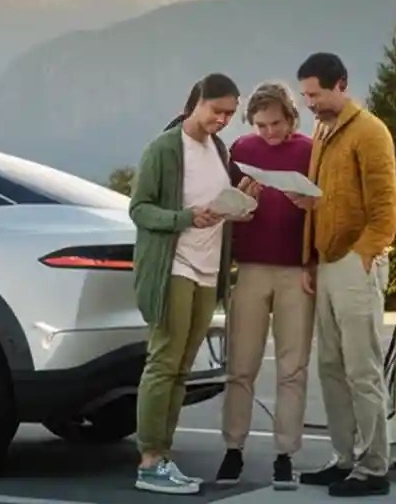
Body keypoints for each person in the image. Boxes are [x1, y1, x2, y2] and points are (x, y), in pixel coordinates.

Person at [129, 72, 242, 495]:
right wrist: (184, 218)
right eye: (218, 111)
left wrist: (239, 202)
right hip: (174, 266)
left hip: (208, 270)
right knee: (164, 362)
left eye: (230, 114)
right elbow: (139, 209)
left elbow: (216, 203)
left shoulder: (218, 149)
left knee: (181, 369)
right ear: (196, 102)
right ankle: (149, 461)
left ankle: (163, 456)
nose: (223, 120)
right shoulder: (164, 148)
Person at [292, 52, 396, 498]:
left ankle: (374, 468)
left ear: (341, 85)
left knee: (361, 368)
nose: (309, 103)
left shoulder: (370, 132)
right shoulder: (322, 132)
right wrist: (309, 259)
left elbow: (386, 208)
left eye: (315, 94)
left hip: (356, 263)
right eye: (305, 96)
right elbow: (321, 201)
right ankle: (344, 459)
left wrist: (363, 257)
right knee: (331, 368)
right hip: (325, 262)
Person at [213, 81, 315, 491]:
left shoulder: (310, 151)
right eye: (261, 125)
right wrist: (238, 201)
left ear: (291, 118)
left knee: (293, 367)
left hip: (296, 272)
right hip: (251, 269)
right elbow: (223, 208)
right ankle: (232, 449)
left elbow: (323, 209)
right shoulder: (242, 150)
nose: (269, 132)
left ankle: (285, 455)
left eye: (276, 123)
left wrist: (313, 262)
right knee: (241, 366)